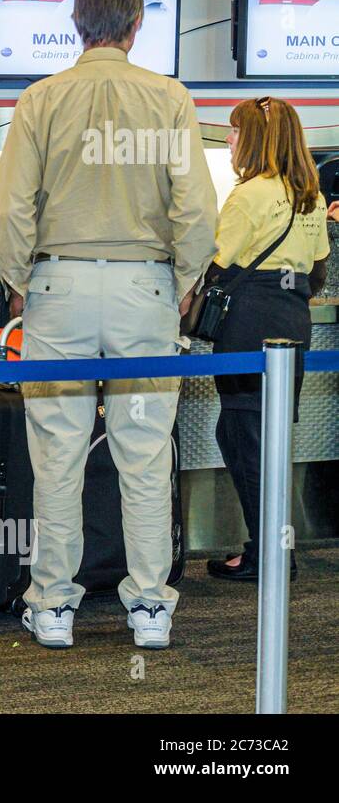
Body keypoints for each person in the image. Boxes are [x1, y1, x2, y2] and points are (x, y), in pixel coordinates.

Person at [0, 0, 218, 650]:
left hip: (58, 290)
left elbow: (9, 207)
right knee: (144, 457)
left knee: (57, 456)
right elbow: (196, 208)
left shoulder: (41, 99)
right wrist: (181, 280)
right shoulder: (170, 98)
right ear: (137, 24)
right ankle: (150, 609)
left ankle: (54, 606)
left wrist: (19, 279)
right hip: (144, 291)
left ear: (76, 24)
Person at [205, 97, 328, 581]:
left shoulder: (248, 195)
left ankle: (270, 556)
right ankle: (271, 547)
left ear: (256, 138)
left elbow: (217, 267)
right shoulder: (311, 195)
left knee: (242, 438)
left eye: (236, 131)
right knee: (271, 441)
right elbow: (316, 273)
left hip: (247, 327)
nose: (231, 139)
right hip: (293, 325)